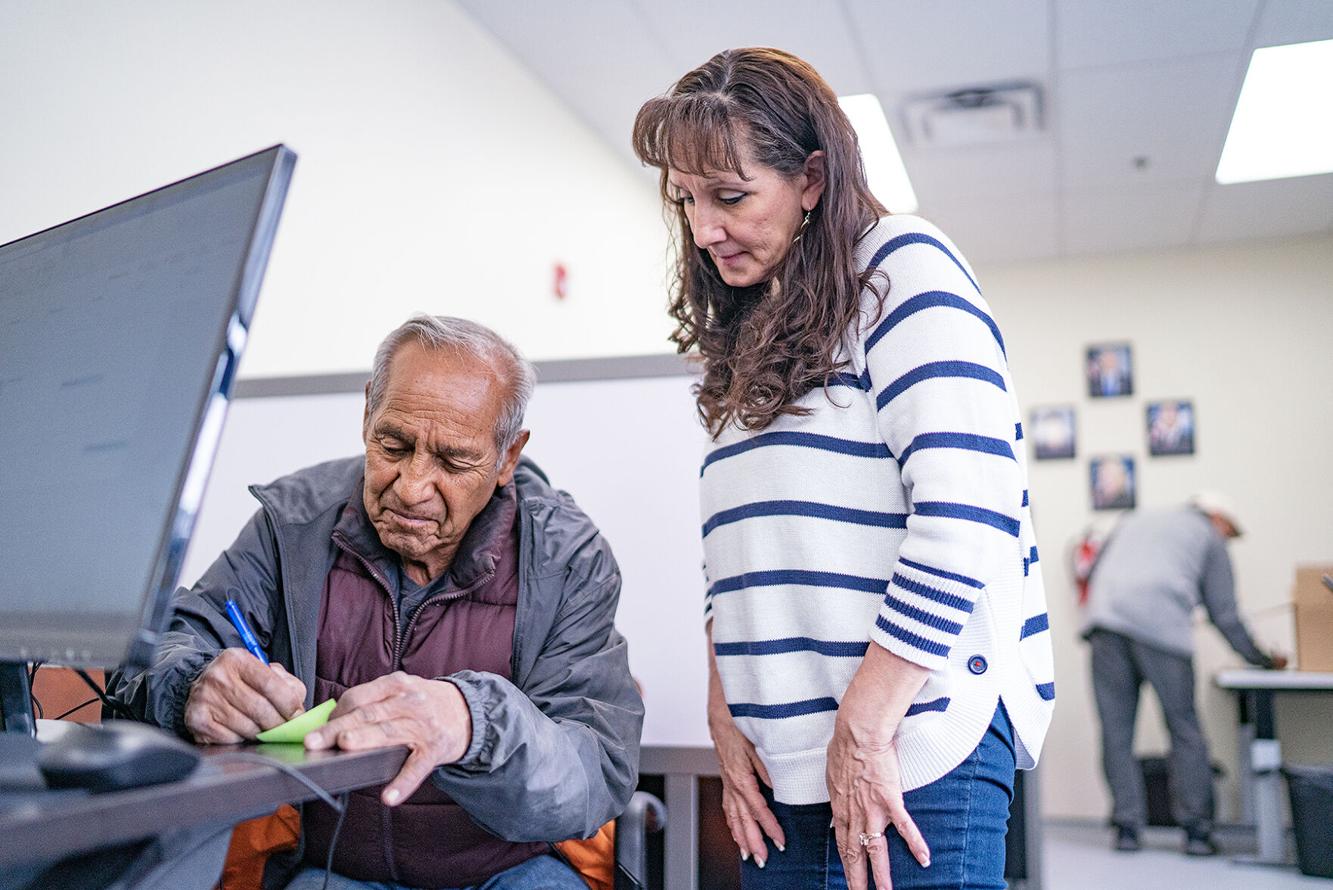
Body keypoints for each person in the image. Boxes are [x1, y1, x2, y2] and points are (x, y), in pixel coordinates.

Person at [632, 48, 1054, 890]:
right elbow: (733, 557)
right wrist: (726, 710)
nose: (704, 227)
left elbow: (965, 512)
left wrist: (863, 731)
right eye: (686, 200)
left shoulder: (902, 269)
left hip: (910, 741)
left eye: (730, 195)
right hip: (782, 759)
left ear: (812, 180)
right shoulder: (751, 330)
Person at [109, 315, 644, 890]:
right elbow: (160, 648)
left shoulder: (566, 559)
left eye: (453, 461)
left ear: (508, 457)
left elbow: (595, 773)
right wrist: (192, 681)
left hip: (504, 872)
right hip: (333, 870)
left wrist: (476, 723)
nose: (412, 486)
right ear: (367, 414)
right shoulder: (293, 524)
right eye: (393, 444)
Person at [1082, 492, 1285, 857]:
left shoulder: (1135, 519)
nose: (1228, 541)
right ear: (1219, 518)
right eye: (1230, 533)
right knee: (1184, 728)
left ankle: (1126, 829)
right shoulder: (1208, 535)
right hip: (1162, 630)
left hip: (1105, 624)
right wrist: (1261, 659)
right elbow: (1224, 613)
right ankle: (1196, 834)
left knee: (1115, 733)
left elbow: (1093, 573)